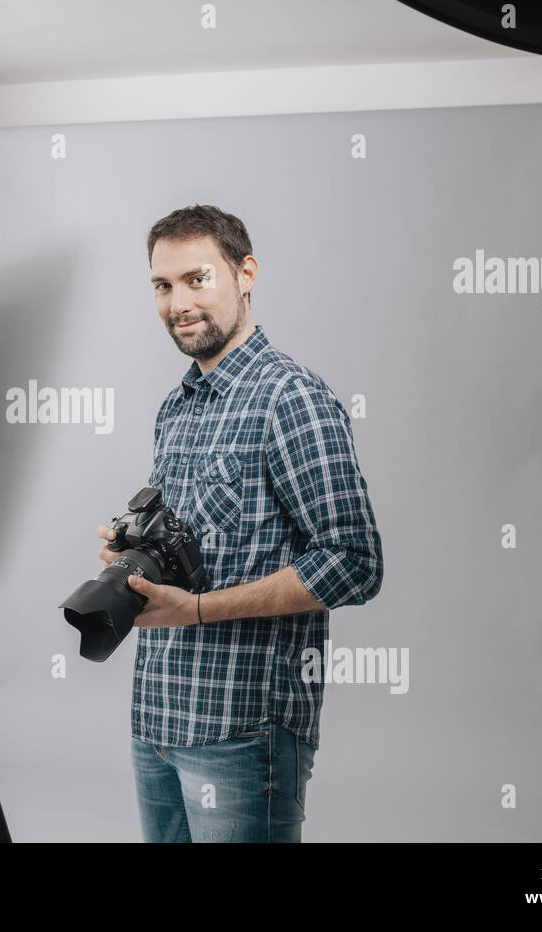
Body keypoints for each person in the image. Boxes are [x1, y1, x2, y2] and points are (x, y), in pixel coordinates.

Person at [98, 204, 383, 842]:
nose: (177, 303)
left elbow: (356, 562)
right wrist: (134, 549)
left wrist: (195, 610)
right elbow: (199, 542)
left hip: (241, 728)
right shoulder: (176, 407)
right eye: (162, 285)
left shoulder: (293, 397)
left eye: (197, 279)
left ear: (245, 273)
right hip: (158, 715)